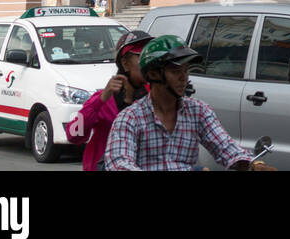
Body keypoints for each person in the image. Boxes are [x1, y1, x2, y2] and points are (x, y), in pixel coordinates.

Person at [104, 35, 275, 171]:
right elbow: (119, 163)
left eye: (186, 71)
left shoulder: (198, 111)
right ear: (154, 74)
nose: (183, 77)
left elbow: (225, 147)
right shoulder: (129, 118)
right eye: (175, 71)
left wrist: (253, 165)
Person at [65, 29, 151, 170]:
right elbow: (73, 134)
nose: (148, 63)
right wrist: (100, 100)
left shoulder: (155, 97)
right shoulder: (103, 99)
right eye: (141, 57)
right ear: (125, 63)